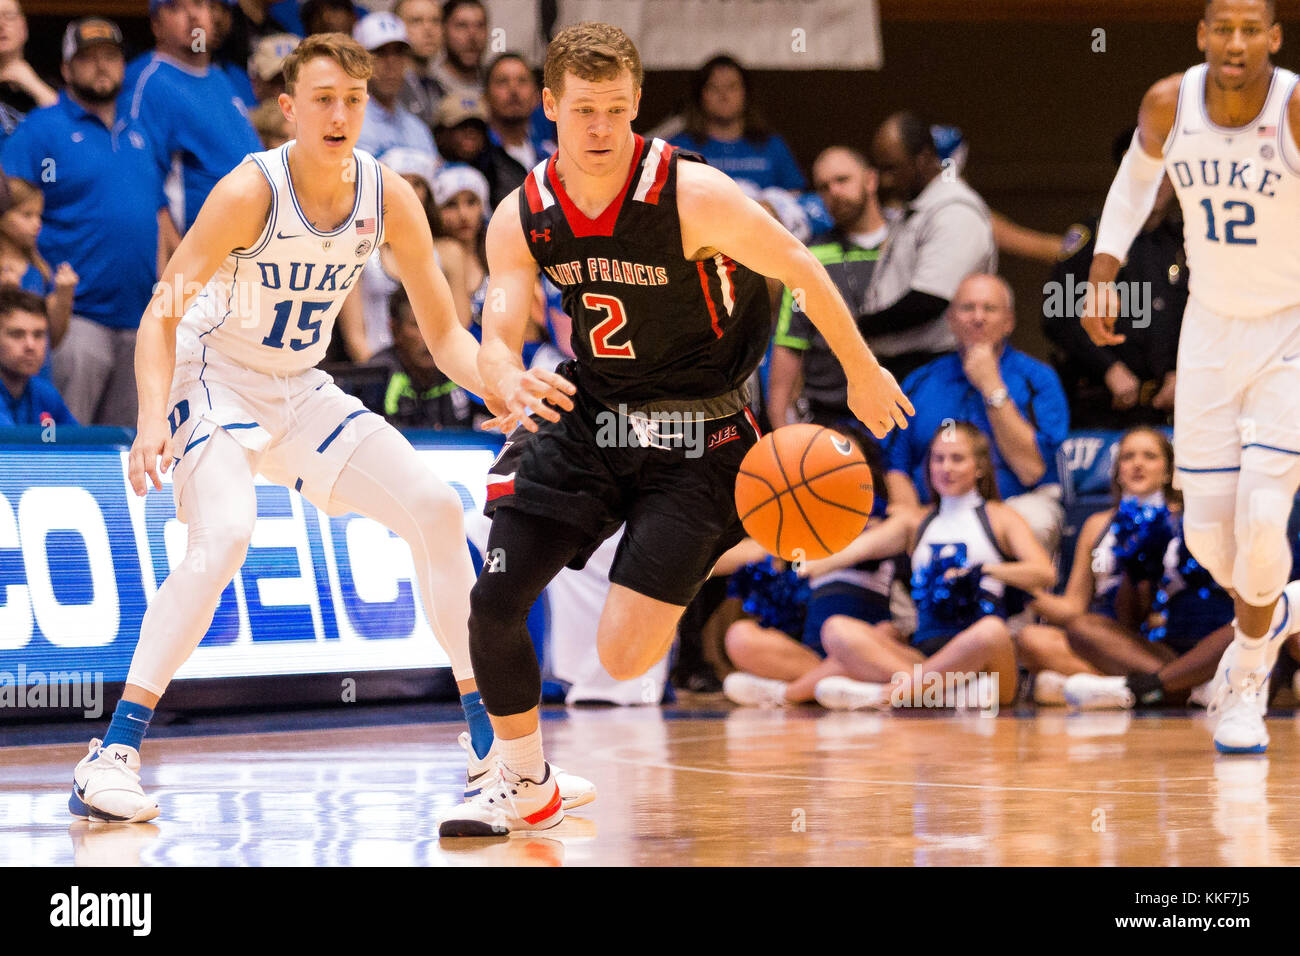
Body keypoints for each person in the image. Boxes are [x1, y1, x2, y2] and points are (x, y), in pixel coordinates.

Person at [67, 32, 592, 825]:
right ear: (288, 111)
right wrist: (149, 418)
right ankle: (111, 753)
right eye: (323, 101)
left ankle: (499, 757)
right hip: (211, 375)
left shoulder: (389, 196)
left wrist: (503, 379)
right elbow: (161, 312)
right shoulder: (250, 190)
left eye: (352, 100)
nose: (341, 114)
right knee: (227, 537)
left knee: (439, 509)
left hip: (299, 386)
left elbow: (447, 338)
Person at [435, 21, 912, 837]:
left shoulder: (691, 194)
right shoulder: (524, 213)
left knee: (624, 659)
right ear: (550, 105)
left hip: (703, 433)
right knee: (496, 599)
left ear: (637, 105)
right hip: (592, 411)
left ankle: (692, 547)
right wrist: (506, 375)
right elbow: (500, 323)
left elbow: (799, 264)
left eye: (616, 110)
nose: (599, 128)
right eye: (582, 109)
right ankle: (522, 780)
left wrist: (863, 369)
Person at [1081, 0, 1300, 752]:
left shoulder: (1295, 106)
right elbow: (1136, 178)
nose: (1237, 42)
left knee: (1265, 515)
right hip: (1207, 330)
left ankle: (1246, 679)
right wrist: (1104, 267)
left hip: (1290, 327)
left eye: (1252, 28)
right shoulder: (1170, 100)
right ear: (1203, 36)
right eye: (1223, 28)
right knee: (1211, 539)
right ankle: (1278, 606)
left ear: (1274, 37)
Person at [791, 422, 1056, 711]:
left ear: (979, 466)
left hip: (987, 662)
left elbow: (1044, 572)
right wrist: (805, 562)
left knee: (991, 630)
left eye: (957, 459)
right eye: (938, 458)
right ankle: (936, 693)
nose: (946, 468)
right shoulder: (915, 521)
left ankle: (896, 692)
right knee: (837, 630)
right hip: (924, 660)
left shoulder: (1000, 517)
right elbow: (853, 551)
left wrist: (984, 571)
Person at [2, 18, 172, 427]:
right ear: (65, 69)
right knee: (65, 446)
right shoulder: (42, 130)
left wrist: (172, 303)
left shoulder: (140, 132)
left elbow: (159, 221)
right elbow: (7, 206)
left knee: (128, 450)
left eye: (110, 57)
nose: (101, 66)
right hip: (75, 319)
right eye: (88, 58)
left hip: (140, 322)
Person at [1018, 427, 1236, 710]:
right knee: (1042, 637)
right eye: (1128, 457)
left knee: (1240, 632)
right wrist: (1023, 594)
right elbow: (1074, 607)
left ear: (1169, 471)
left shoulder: (1188, 519)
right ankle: (1177, 687)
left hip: (1177, 637)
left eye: (1150, 456)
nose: (1138, 464)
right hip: (1117, 641)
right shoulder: (1097, 525)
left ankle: (1123, 689)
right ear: (1117, 470)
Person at [885, 273, 1070, 553]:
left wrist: (991, 386)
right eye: (968, 308)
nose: (978, 317)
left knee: (1033, 523)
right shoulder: (919, 382)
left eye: (989, 308)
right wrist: (915, 520)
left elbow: (1031, 470)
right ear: (951, 319)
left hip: (1016, 507)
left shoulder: (1038, 379)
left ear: (1009, 321)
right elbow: (896, 466)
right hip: (934, 511)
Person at [721, 427, 903, 707]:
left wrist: (820, 558)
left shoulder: (889, 519)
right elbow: (725, 557)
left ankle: (786, 693)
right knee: (740, 636)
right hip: (813, 654)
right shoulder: (803, 526)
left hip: (863, 642)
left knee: (842, 631)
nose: (836, 469)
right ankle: (834, 685)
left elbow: (895, 533)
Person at [1046, 128, 1186, 429]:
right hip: (1099, 407)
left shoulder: (1184, 240)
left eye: (1163, 173)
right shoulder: (1093, 236)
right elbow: (1058, 316)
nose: (1154, 184)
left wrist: (1179, 371)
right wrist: (1110, 369)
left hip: (1167, 409)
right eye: (1142, 174)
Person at [859, 111, 997, 382]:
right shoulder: (919, 206)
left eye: (892, 168)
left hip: (939, 367)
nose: (885, 180)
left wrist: (856, 326)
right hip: (906, 366)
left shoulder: (955, 210)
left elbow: (928, 301)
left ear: (922, 160)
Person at [769, 146, 889, 429]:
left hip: (903, 405)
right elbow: (788, 349)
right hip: (832, 414)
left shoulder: (908, 241)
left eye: (842, 180)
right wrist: (780, 433)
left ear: (871, 180)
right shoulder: (809, 257)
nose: (833, 192)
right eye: (823, 187)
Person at [125, 0, 263, 235]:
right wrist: (175, 264)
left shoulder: (219, 77)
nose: (192, 16)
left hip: (246, 246)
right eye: (176, 7)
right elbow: (142, 183)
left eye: (199, 4)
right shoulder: (150, 81)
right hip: (200, 252)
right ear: (156, 25)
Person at [667, 54, 805, 193]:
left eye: (732, 87)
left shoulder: (773, 145)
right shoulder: (679, 149)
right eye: (714, 87)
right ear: (700, 95)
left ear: (745, 93)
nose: (723, 95)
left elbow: (795, 197)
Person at [367, 286, 476, 429]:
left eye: (434, 325)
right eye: (416, 325)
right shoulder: (376, 378)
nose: (427, 337)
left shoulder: (462, 366)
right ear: (394, 329)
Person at [0, 175, 76, 375]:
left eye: (39, 216)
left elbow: (53, 339)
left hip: (37, 378)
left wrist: (64, 297)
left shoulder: (39, 271)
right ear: (3, 215)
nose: (37, 224)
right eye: (27, 215)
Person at [353, 12, 439, 161]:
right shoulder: (342, 122)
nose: (391, 64)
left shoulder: (418, 130)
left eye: (398, 53)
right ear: (357, 61)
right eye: (380, 53)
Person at [480, 53, 554, 209]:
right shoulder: (478, 155)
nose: (513, 90)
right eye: (502, 82)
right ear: (485, 96)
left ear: (537, 96)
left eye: (522, 81)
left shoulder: (552, 157)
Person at [0, 287, 75, 427]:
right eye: (17, 334)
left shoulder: (45, 394)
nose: (30, 345)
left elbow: (79, 442)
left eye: (38, 334)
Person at [0, 0, 56, 120]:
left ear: (23, 27)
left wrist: (35, 87)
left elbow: (74, 131)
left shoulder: (50, 86)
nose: (1, 25)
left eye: (9, 16)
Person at [395, 0, 446, 130]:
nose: (429, 30)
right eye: (416, 21)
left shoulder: (439, 88)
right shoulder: (389, 88)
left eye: (435, 21)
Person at [431, 0, 486, 97]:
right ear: (443, 31)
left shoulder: (495, 85)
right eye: (462, 26)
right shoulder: (429, 85)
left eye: (480, 25)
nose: (473, 36)